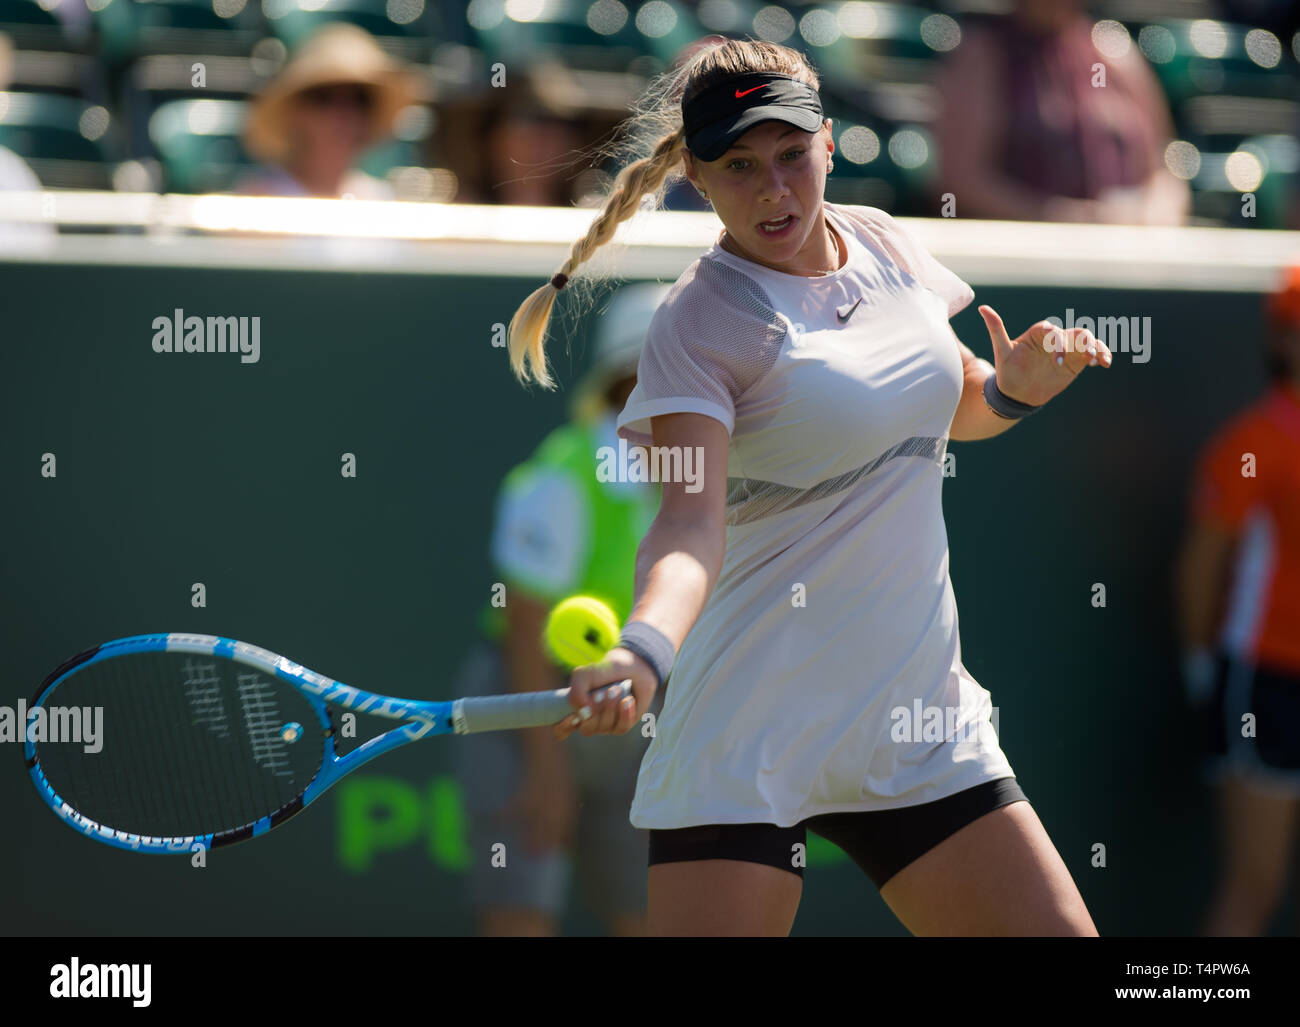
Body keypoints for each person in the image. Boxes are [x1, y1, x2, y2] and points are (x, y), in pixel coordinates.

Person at [505, 37, 1109, 936]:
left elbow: (950, 407)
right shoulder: (697, 326)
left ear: (829, 142)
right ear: (698, 181)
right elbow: (686, 524)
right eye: (739, 166)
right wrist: (642, 649)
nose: (774, 189)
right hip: (748, 728)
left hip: (914, 721)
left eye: (793, 155)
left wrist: (1012, 388)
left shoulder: (883, 244)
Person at [453, 283, 667, 936]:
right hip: (530, 708)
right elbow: (524, 627)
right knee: (521, 918)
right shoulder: (564, 476)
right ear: (632, 382)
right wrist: (545, 772)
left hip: (636, 713)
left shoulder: (701, 472)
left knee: (649, 916)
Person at [1177, 264, 1300, 936]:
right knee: (1257, 885)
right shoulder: (1254, 443)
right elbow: (1200, 568)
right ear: (1285, 341)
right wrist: (1203, 669)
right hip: (1266, 683)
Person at [933, 0, 1189, 225]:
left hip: (1125, 259)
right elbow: (962, 181)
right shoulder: (983, 53)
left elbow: (1164, 170)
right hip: (1021, 260)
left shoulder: (1114, 50)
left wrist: (1154, 214)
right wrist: (1063, 218)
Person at [236, 23, 419, 199]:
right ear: (295, 112)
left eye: (360, 99)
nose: (344, 113)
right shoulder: (259, 200)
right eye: (324, 97)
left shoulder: (382, 200)